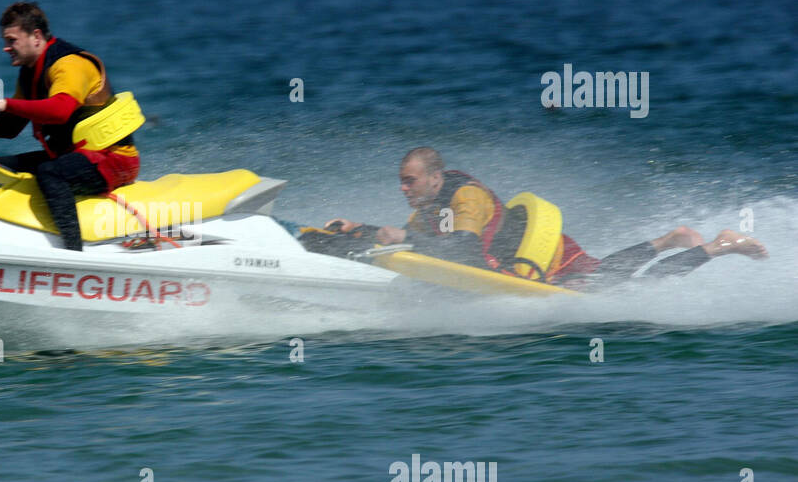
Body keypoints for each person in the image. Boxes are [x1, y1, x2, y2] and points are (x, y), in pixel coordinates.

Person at [307, 147, 767, 288]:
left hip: (541, 260)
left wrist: (397, 238)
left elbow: (464, 248)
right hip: (518, 257)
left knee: (619, 288)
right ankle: (671, 239)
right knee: (607, 273)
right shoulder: (429, 206)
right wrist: (360, 230)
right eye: (400, 181)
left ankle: (717, 245)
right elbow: (412, 239)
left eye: (409, 181)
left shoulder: (465, 197)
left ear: (434, 177)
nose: (402, 189)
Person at [0, 1, 140, 251]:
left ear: (36, 36)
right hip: (76, 157)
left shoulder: (68, 63)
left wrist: (7, 103)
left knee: (51, 172)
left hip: (114, 160)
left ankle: (73, 252)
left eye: (11, 40)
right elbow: (11, 128)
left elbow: (60, 111)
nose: (6, 48)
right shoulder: (29, 73)